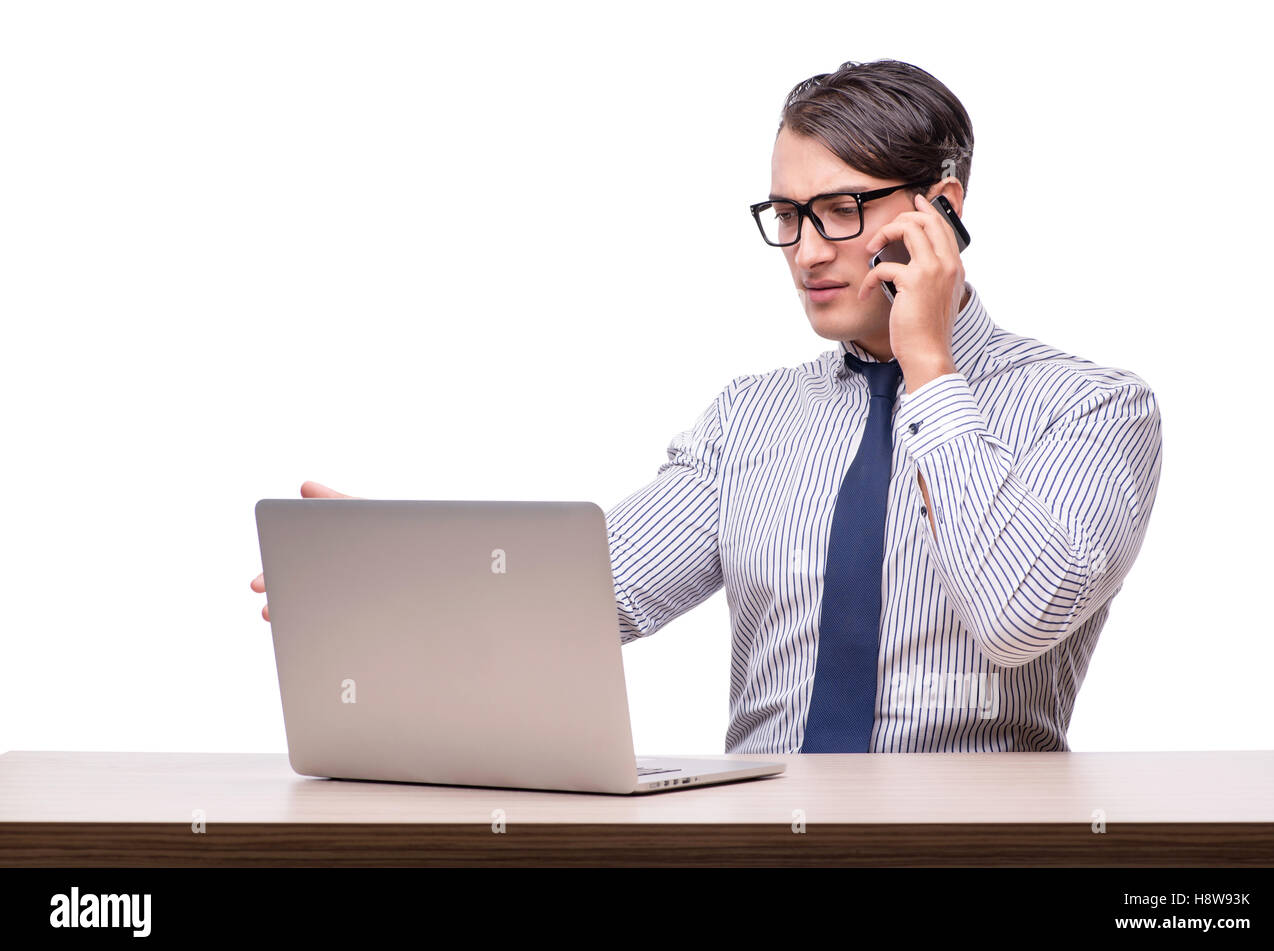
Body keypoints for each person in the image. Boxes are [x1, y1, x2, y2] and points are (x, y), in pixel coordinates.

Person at [253, 58, 1162, 755]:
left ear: (942, 210)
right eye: (787, 214)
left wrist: (928, 366)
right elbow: (597, 592)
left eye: (841, 209)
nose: (806, 252)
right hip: (760, 846)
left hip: (975, 850)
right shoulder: (749, 420)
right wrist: (396, 578)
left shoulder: (1092, 409)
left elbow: (1015, 616)